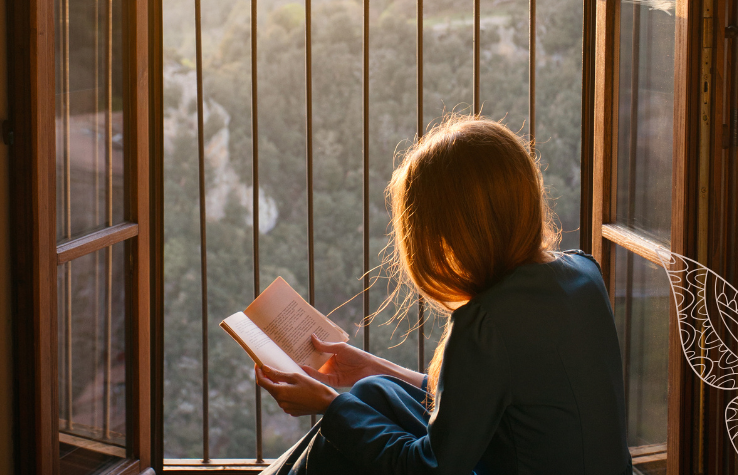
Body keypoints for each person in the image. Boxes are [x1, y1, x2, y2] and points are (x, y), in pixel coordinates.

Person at [255, 115, 632, 475]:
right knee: (375, 391)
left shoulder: (487, 323)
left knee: (346, 430)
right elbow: (493, 397)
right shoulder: (583, 273)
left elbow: (428, 470)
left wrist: (327, 405)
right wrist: (372, 367)